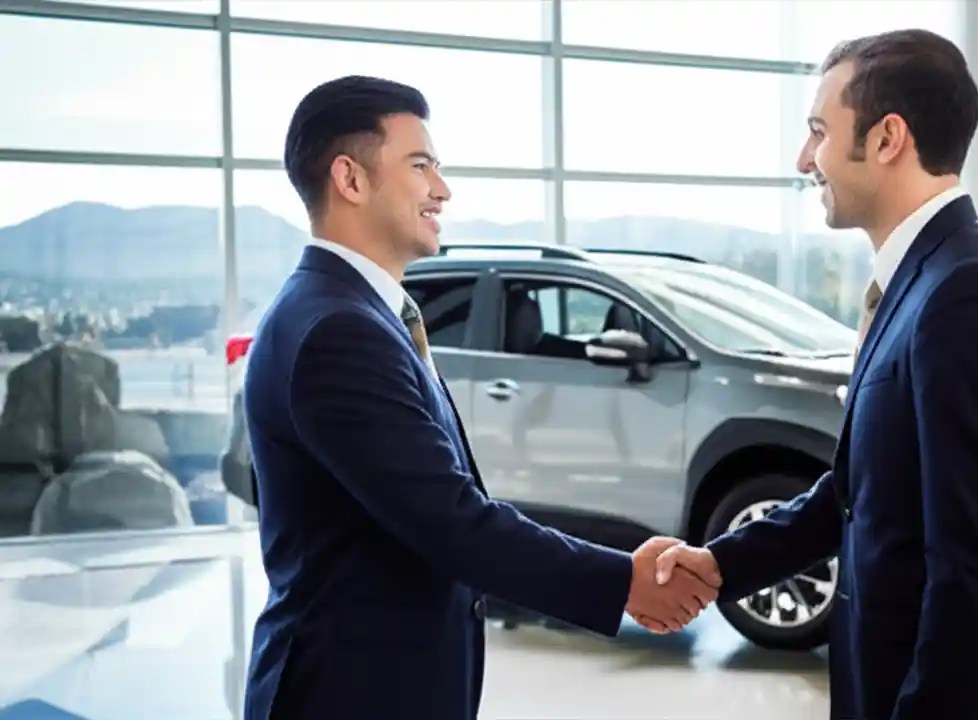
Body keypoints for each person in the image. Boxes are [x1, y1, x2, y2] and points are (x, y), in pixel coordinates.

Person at [240, 75, 718, 720]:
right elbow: (451, 521)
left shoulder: (354, 313)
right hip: (351, 690)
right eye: (420, 166)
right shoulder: (338, 330)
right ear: (350, 180)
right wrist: (623, 582)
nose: (442, 189)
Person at [653, 29, 978, 720]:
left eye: (818, 131)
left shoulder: (968, 297)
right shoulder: (923, 281)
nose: (804, 159)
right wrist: (722, 565)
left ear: (888, 137)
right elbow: (858, 489)